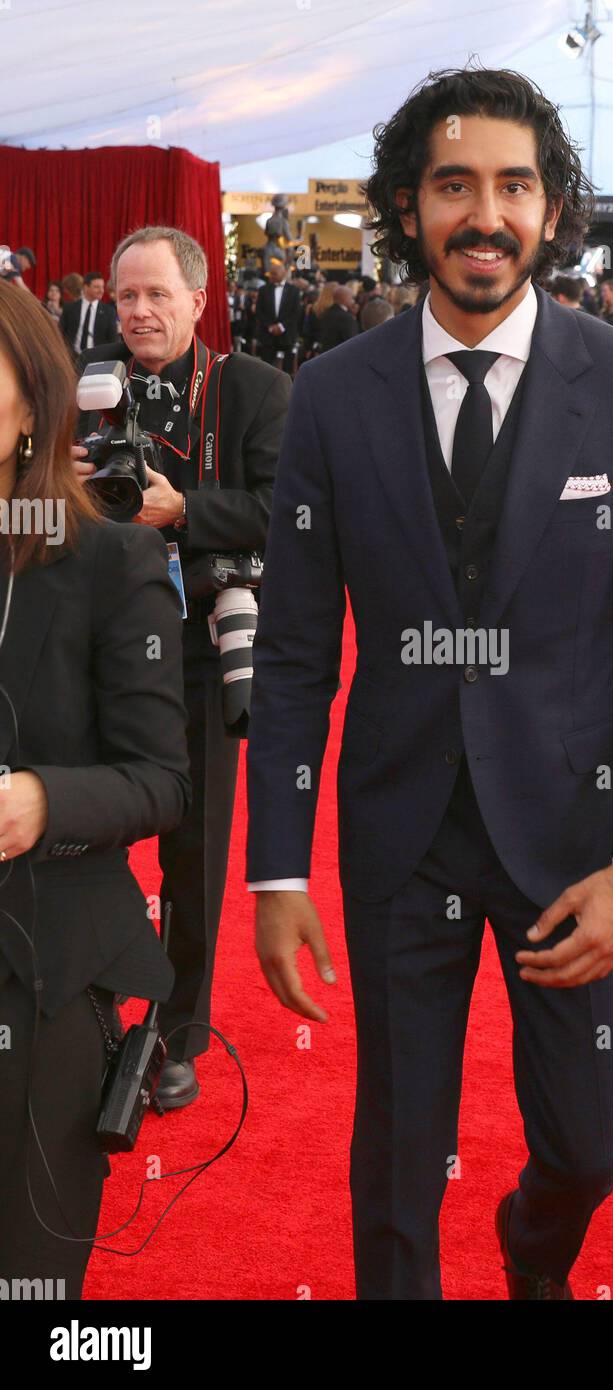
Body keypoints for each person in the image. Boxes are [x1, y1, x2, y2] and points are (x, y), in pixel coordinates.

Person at [246, 65, 613, 1301]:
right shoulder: (331, 400)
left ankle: (531, 1250)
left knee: (589, 1139)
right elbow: (299, 654)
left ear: (553, 208)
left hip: (577, 842)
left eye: (514, 185)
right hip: (401, 833)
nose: (486, 214)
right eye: (453, 185)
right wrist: (281, 867)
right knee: (399, 1160)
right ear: (407, 208)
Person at [71, 226, 292, 1109]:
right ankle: (80, 1013)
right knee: (83, 838)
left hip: (203, 652)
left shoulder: (254, 391)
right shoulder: (87, 387)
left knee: (192, 862)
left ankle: (177, 1035)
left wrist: (182, 510)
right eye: (125, 296)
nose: (139, 311)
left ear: (200, 300)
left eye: (157, 294)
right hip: (96, 652)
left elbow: (291, 512)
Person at [0, 279, 190, 1296]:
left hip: (49, 975)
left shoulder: (110, 559)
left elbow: (161, 781)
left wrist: (38, 803)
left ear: (34, 399)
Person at [254, 260, 302, 372]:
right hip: (268, 336)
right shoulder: (263, 290)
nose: (272, 276)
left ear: (283, 274)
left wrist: (281, 326)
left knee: (287, 370)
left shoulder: (294, 291)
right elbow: (259, 311)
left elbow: (296, 312)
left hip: (287, 335)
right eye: (271, 273)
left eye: (275, 274)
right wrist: (270, 326)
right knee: (266, 368)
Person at [59, 272, 119, 354]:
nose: (101, 290)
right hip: (73, 359)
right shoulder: (70, 308)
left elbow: (113, 341)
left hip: (97, 360)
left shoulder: (109, 312)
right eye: (96, 287)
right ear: (85, 287)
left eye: (102, 287)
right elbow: (60, 333)